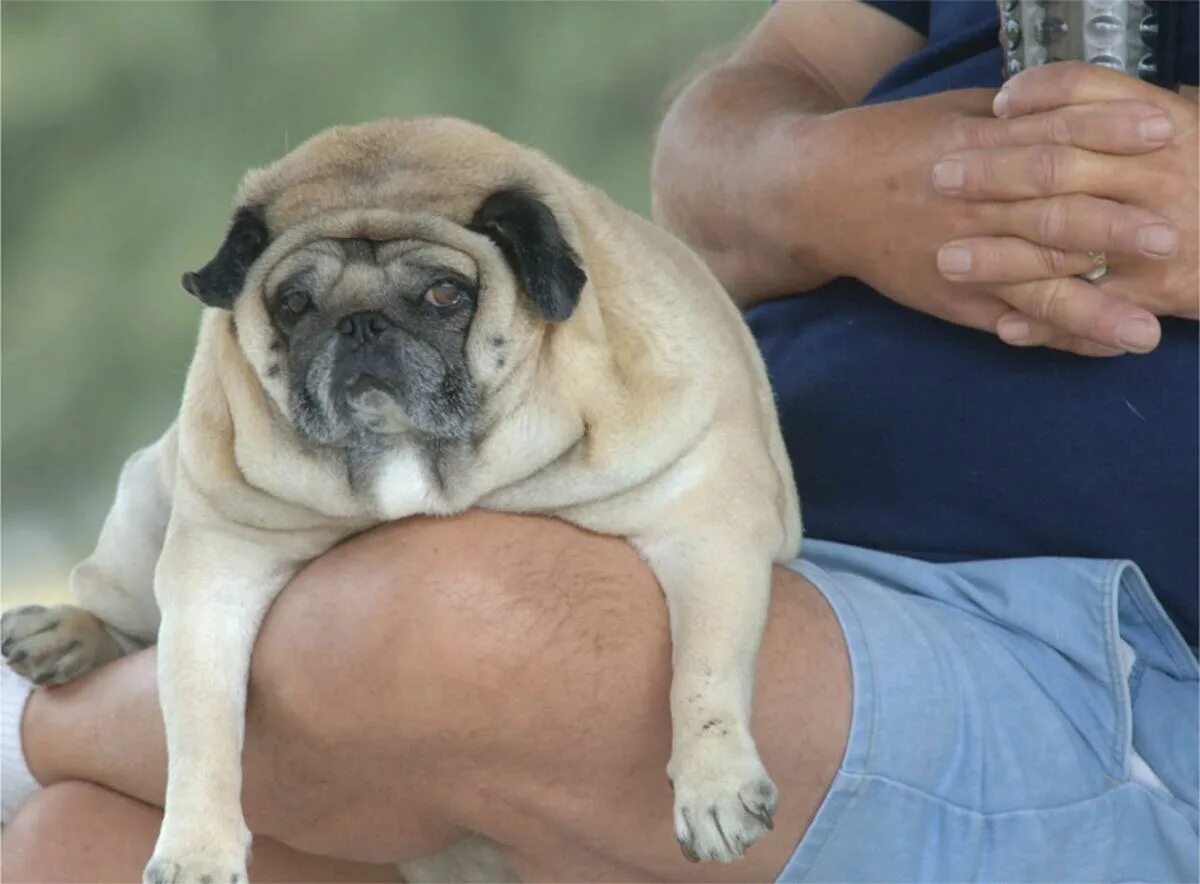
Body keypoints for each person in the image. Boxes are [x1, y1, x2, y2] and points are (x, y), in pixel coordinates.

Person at [2, 2, 1196, 881]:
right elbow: (725, 127)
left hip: (1122, 664)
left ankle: (64, 722)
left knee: (441, 628)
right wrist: (817, 176)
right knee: (77, 857)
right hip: (751, 562)